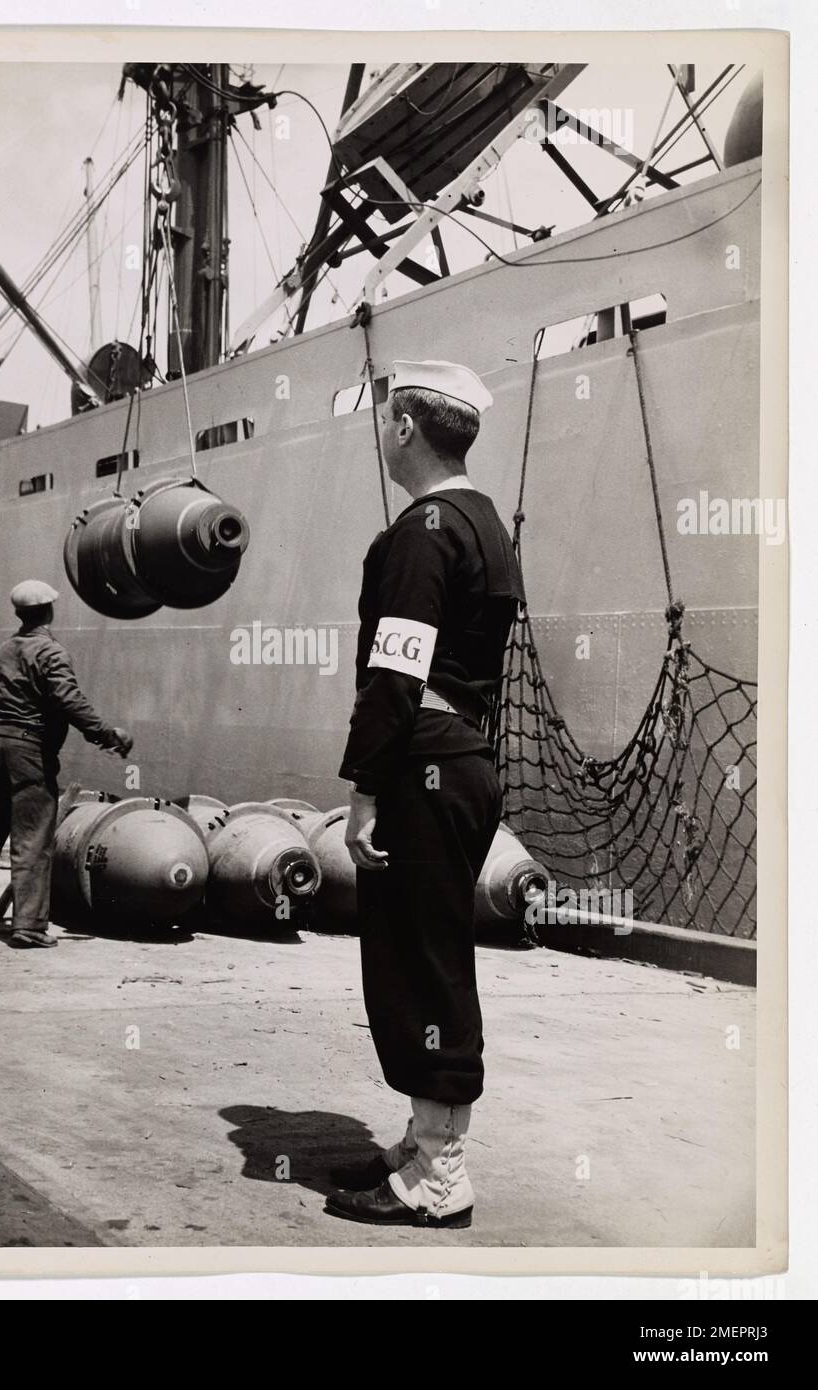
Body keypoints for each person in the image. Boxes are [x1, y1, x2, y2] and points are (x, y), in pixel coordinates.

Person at [325, 360, 525, 1229]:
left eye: (384, 421)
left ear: (405, 428)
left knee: (415, 961)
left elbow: (396, 671)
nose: (381, 434)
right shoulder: (484, 523)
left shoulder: (423, 529)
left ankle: (440, 1176)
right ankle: (424, 1140)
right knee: (431, 948)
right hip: (466, 751)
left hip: (421, 757)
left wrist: (367, 785)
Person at [0, 580, 133, 948]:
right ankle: (27, 925)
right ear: (49, 611)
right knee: (32, 837)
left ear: (19, 613)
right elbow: (68, 700)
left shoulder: (1, 652)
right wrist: (107, 734)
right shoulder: (51, 653)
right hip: (29, 751)